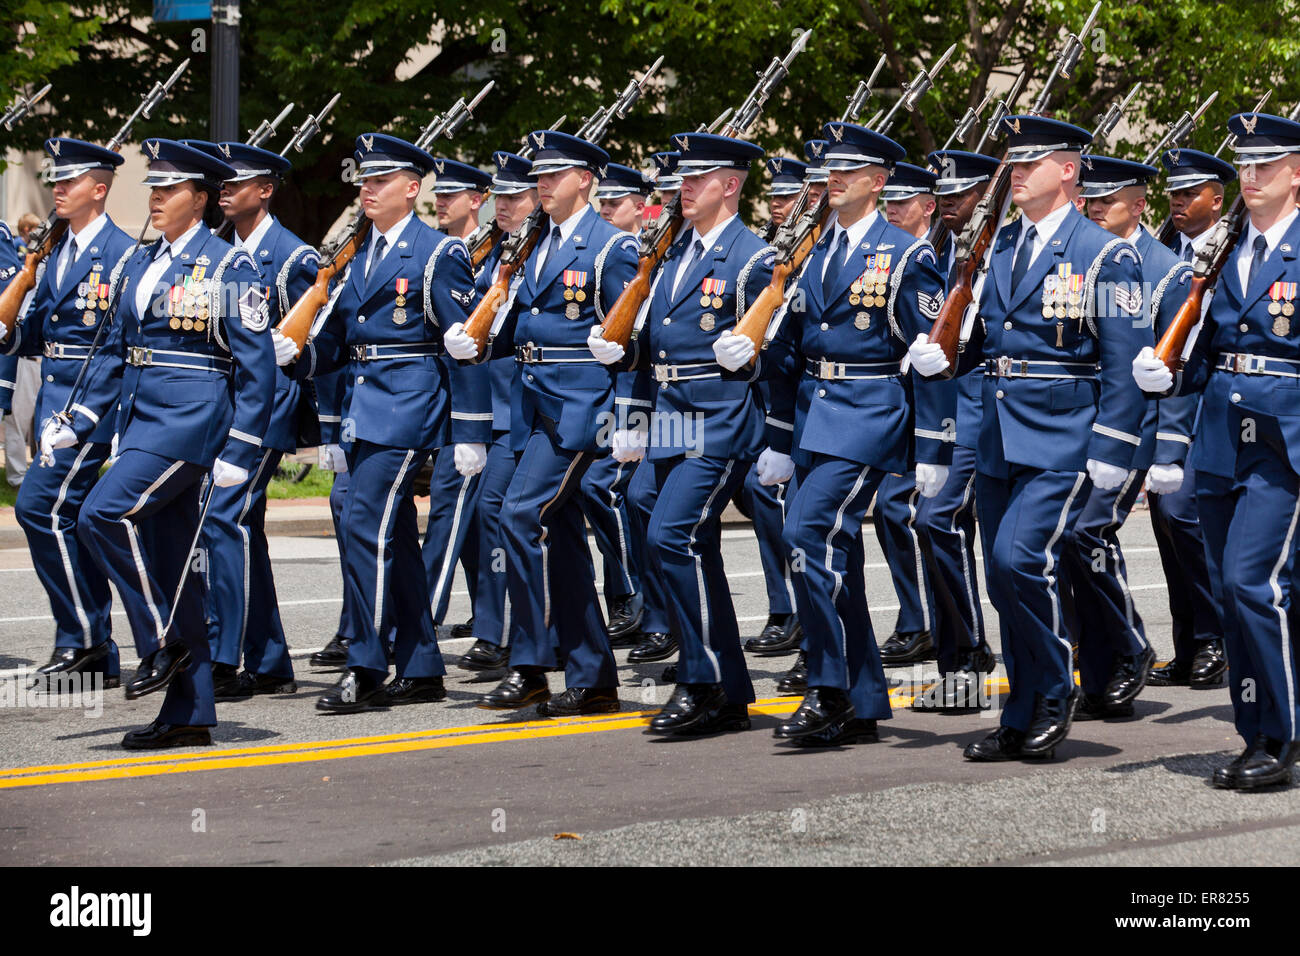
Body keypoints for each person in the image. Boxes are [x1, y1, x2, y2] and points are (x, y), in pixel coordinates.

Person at [911, 115, 1147, 761]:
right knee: (1000, 574)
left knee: (1021, 560)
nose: (1016, 173)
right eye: (1013, 163)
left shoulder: (1105, 253)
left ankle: (1052, 691)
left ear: (1068, 171)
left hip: (1064, 436)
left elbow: (1125, 362)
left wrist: (1112, 447)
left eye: (1031, 163)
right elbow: (985, 340)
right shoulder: (1000, 247)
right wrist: (946, 357)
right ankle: (1020, 709)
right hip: (997, 434)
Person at [719, 122, 948, 746]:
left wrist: (934, 445)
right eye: (830, 168)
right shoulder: (813, 253)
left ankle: (827, 686)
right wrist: (758, 378)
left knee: (806, 530)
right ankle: (863, 697)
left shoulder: (906, 256)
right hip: (819, 417)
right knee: (835, 549)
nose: (834, 176)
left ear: (878, 182)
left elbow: (931, 357)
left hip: (872, 414)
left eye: (849, 169)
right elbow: (791, 354)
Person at [42, 138, 276, 749]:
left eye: (170, 190)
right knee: (175, 572)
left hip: (191, 423)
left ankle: (159, 641)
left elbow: (258, 369)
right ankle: (190, 714)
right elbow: (113, 355)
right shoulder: (139, 264)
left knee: (101, 512)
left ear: (199, 200)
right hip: (141, 423)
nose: (156, 199)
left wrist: (242, 449)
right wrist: (80, 416)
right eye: (153, 188)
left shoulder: (229, 267)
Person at [274, 133, 490, 712]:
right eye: (364, 181)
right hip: (365, 411)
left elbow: (463, 345)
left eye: (380, 181)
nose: (366, 189)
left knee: (364, 526)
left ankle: (367, 664)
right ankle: (421, 666)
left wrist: (469, 430)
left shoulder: (435, 253)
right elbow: (341, 340)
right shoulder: (361, 251)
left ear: (412, 189)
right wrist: (299, 355)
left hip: (409, 410)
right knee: (387, 534)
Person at [443, 130, 639, 716]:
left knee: (521, 514)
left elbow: (629, 338)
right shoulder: (535, 243)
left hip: (581, 410)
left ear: (585, 179)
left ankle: (530, 662)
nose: (542, 185)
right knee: (563, 537)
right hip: (531, 406)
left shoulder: (611, 248)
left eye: (554, 175)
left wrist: (629, 417)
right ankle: (593, 675)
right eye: (540, 176)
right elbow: (522, 321)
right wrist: (477, 341)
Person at [1133, 111, 1300, 789]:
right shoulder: (1223, 254)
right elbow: (1206, 352)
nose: (1251, 178)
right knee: (1232, 600)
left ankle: (1282, 737)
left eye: (1266, 166)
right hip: (1221, 444)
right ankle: (1254, 728)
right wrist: (1170, 371)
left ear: (1298, 173)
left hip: (1285, 444)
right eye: (1246, 167)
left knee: (1251, 584)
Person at [591, 130, 774, 735]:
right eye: (681, 179)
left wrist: (775, 435)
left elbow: (774, 354)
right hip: (670, 415)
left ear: (730, 185)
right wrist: (626, 388)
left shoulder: (753, 260)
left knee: (674, 536)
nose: (683, 188)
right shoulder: (673, 255)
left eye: (697, 179)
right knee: (647, 510)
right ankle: (727, 683)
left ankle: (703, 680)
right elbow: (654, 348)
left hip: (718, 419)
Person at [191, 140, 319, 699]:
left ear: (265, 191)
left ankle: (226, 656)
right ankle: (269, 662)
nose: (225, 191)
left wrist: (299, 356)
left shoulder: (294, 258)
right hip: (225, 404)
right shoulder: (217, 251)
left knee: (225, 518)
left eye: (237, 183)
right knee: (240, 528)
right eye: (220, 183)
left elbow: (320, 343)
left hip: (267, 409)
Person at [4, 138, 133, 691]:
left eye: (70, 181)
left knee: (37, 507)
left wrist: (81, 415)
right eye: (56, 180)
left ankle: (82, 638)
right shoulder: (54, 252)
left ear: (99, 190)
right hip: (53, 406)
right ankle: (93, 651)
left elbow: (116, 349)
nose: (58, 188)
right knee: (67, 520)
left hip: (89, 408)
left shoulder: (124, 255)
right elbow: (36, 334)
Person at [1070, 154, 1191, 719]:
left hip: (1134, 430)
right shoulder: (1084, 260)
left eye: (1106, 202)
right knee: (1067, 543)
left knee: (1088, 533)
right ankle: (1096, 666)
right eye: (1088, 201)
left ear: (1139, 205)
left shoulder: (1166, 270)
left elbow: (1175, 372)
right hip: (1078, 429)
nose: (1094, 210)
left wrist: (1168, 452)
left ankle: (1130, 646)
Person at [908, 149, 1002, 711]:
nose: (948, 205)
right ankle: (961, 660)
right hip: (945, 411)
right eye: (942, 195)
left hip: (989, 410)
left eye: (962, 196)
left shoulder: (1005, 250)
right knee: (934, 524)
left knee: (940, 522)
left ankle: (969, 659)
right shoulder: (942, 255)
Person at [1142, 147, 1233, 688]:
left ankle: (1216, 637)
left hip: (1209, 405)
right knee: (1164, 522)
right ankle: (1189, 643)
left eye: (1189, 193)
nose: (1177, 202)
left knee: (1181, 513)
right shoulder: (1159, 255)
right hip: (1161, 405)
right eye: (1173, 193)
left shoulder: (1233, 250)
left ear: (1217, 200)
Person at [456, 150, 535, 672]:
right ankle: (494, 631)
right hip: (499, 411)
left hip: (544, 410)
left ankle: (536, 628)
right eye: (499, 196)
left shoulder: (546, 252)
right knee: (490, 513)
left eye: (514, 196)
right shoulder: (489, 254)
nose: (502, 205)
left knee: (524, 518)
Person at [421, 158, 494, 636]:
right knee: (471, 523)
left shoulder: (496, 256)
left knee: (463, 509)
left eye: (452, 194)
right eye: (438, 193)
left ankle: (419, 621)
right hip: (437, 405)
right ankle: (491, 619)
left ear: (477, 200)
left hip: (489, 405)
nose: (440, 201)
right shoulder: (436, 254)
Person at [582, 161, 653, 646]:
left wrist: (630, 417)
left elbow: (631, 343)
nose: (606, 209)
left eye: (616, 203)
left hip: (622, 400)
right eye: (602, 202)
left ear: (638, 208)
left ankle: (634, 596)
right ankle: (622, 597)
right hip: (592, 398)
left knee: (608, 490)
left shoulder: (626, 253)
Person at [874, 161, 942, 666]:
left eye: (904, 202)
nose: (893, 210)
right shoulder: (883, 255)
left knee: (917, 514)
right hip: (891, 408)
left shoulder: (929, 258)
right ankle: (916, 618)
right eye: (888, 201)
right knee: (891, 512)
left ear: (928, 206)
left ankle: (936, 625)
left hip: (934, 410)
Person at [740, 155, 806, 659]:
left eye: (788, 195)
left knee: (776, 500)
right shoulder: (768, 249)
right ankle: (783, 606)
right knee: (760, 497)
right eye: (774, 196)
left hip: (803, 399)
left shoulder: (811, 251)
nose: (777, 203)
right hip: (757, 397)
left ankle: (794, 611)